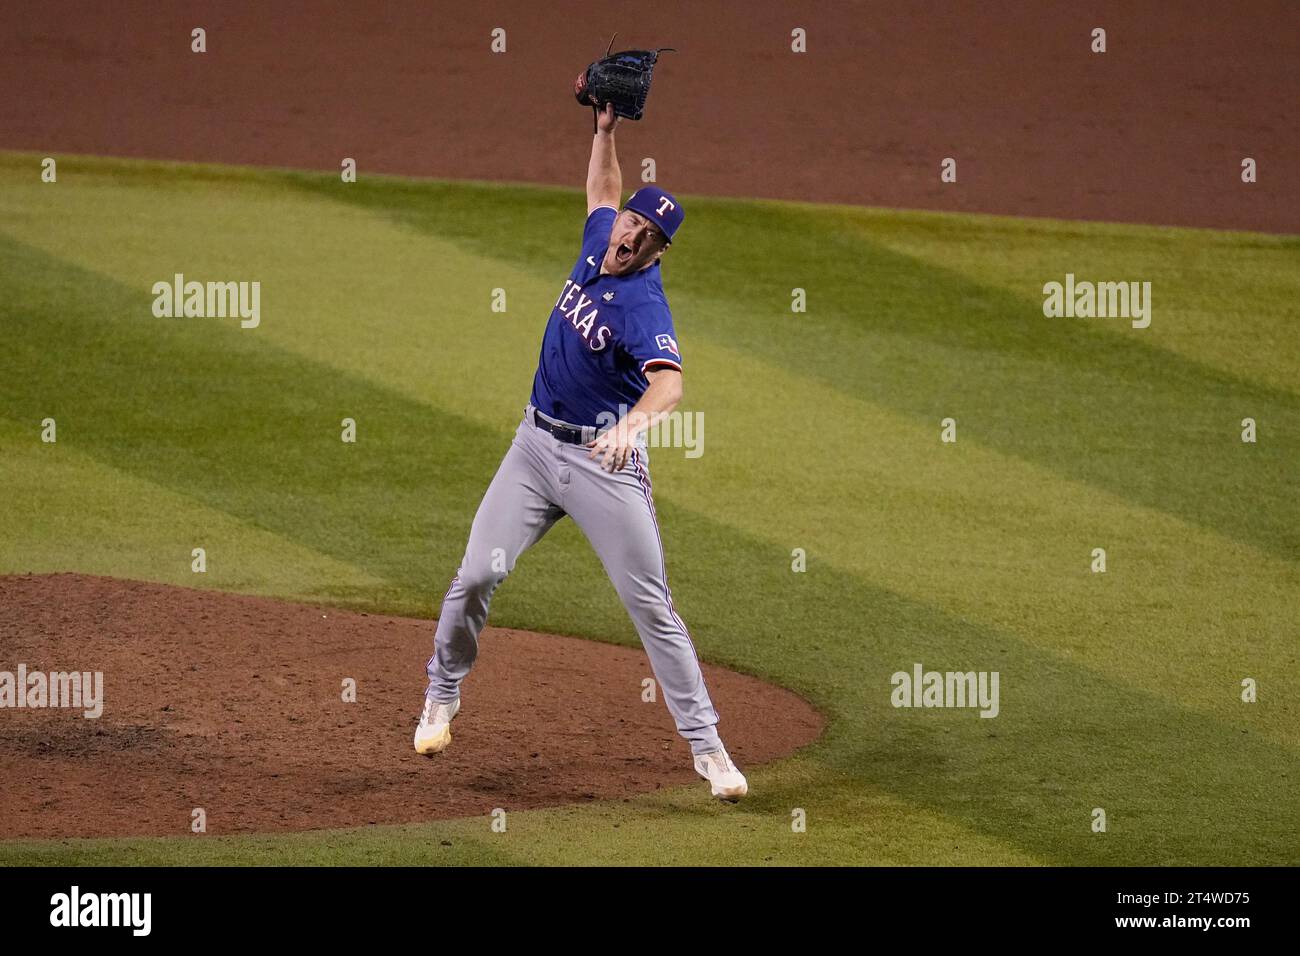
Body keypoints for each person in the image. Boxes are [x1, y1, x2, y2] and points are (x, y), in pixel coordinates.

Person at [415, 102, 747, 802]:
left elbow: (672, 385)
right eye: (634, 220)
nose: (631, 236)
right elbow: (602, 189)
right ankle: (442, 695)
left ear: (658, 252)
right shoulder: (601, 231)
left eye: (649, 236)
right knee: (476, 576)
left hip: (605, 469)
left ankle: (708, 748)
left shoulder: (643, 304)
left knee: (649, 603)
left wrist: (630, 428)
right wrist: (603, 133)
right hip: (535, 450)